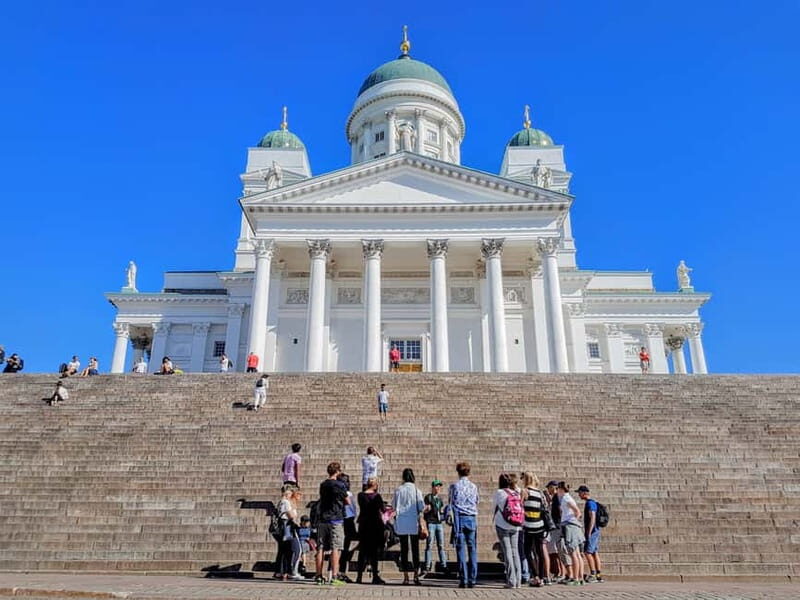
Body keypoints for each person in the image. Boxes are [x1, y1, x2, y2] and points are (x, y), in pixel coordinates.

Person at [315, 461, 350, 586]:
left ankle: (318, 575)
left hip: (323, 518)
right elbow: (347, 501)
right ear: (337, 471)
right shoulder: (340, 485)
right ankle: (334, 576)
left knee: (320, 547)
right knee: (336, 547)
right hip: (336, 518)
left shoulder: (323, 484)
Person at [449, 461, 479, 588]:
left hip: (459, 518)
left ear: (458, 472)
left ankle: (464, 579)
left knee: (460, 549)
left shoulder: (454, 486)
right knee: (472, 549)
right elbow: (477, 500)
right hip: (471, 518)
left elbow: (450, 502)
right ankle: (473, 578)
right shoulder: (473, 486)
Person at [393, 468, 425, 585]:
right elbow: (421, 507)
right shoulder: (417, 490)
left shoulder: (398, 490)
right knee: (415, 550)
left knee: (404, 550)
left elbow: (394, 505)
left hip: (402, 522)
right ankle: (416, 575)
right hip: (413, 523)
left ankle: (406, 576)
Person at [493, 473, 522, 588]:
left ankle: (511, 580)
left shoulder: (499, 493)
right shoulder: (516, 493)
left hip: (502, 524)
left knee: (508, 552)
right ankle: (518, 580)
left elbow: (494, 508)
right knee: (516, 552)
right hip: (515, 525)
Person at [355, 477, 386, 584]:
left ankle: (359, 576)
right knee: (373, 552)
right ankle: (375, 576)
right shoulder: (377, 496)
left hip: (363, 525)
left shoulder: (360, 495)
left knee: (362, 551)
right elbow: (382, 509)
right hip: (375, 525)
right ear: (375, 485)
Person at [521, 472, 549, 586]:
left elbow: (520, 505)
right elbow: (545, 507)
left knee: (527, 551)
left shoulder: (525, 491)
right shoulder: (540, 493)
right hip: (540, 525)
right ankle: (542, 577)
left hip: (528, 525)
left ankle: (536, 575)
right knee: (540, 551)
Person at [556, 482, 584, 586]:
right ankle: (580, 577)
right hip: (571, 525)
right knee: (576, 553)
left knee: (573, 553)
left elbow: (577, 511)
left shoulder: (566, 499)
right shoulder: (567, 498)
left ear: (561, 489)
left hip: (570, 525)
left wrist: (574, 520)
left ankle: (576, 578)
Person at [577, 485, 604, 583]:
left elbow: (592, 516)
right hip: (595, 531)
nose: (579, 495)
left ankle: (593, 574)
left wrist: (589, 530)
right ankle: (598, 574)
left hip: (592, 531)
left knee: (587, 552)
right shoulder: (592, 502)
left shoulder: (590, 503)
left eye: (579, 493)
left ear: (584, 493)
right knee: (594, 552)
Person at [276, 487, 303, 580]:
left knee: (285, 550)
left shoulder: (283, 502)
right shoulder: (285, 502)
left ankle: (283, 572)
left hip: (286, 527)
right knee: (295, 549)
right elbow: (290, 515)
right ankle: (292, 571)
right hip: (287, 527)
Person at [422, 479, 447, 576]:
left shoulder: (440, 500)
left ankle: (444, 565)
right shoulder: (428, 497)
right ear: (433, 487)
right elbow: (426, 508)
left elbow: (439, 511)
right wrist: (426, 510)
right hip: (431, 523)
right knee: (429, 545)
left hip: (439, 523)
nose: (438, 488)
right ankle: (427, 565)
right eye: (436, 486)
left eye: (439, 486)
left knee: (441, 545)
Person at [545, 480, 568, 581]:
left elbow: (559, 509)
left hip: (557, 526)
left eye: (549, 488)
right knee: (556, 550)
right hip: (556, 526)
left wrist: (559, 522)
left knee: (559, 550)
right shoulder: (555, 497)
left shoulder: (557, 497)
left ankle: (562, 573)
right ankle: (559, 572)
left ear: (553, 487)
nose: (548, 490)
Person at [337, 473, 357, 582]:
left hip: (340, 521)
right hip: (346, 521)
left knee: (339, 548)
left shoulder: (336, 493)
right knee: (343, 548)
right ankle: (341, 572)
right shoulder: (346, 494)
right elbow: (351, 509)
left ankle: (335, 571)